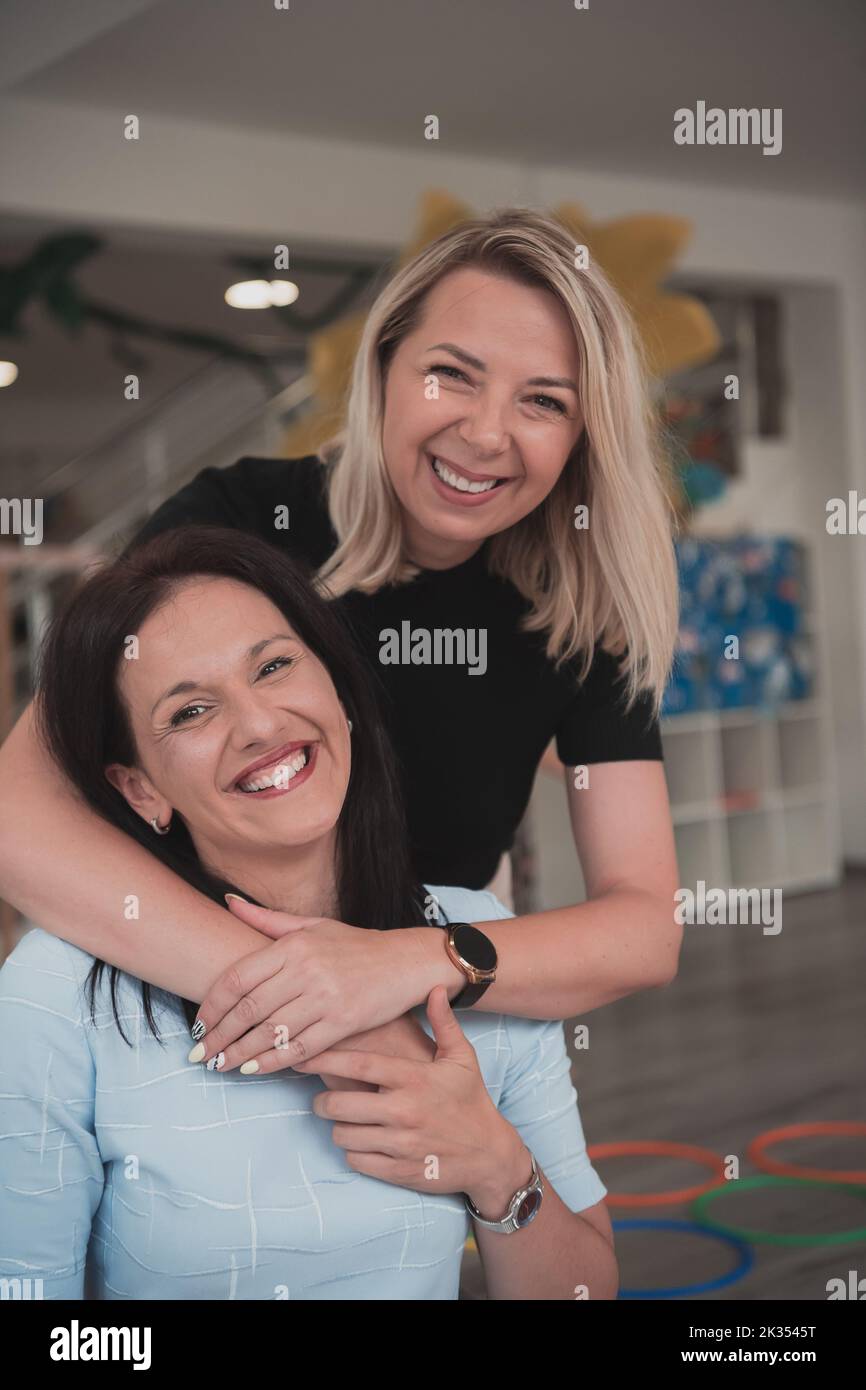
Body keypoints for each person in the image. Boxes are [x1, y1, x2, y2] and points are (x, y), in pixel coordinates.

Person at [0, 206, 681, 1074]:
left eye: (543, 401)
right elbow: (19, 815)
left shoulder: (583, 605)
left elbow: (644, 925)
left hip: (426, 1014)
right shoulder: (238, 523)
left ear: (585, 434)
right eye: (452, 375)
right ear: (385, 368)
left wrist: (404, 966)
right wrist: (316, 1003)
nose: (483, 434)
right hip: (195, 1016)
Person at [0, 526, 615, 1300]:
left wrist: (497, 1168)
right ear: (139, 790)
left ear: (337, 688)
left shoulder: (470, 941)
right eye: (191, 712)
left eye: (276, 665)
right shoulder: (55, 993)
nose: (259, 725)